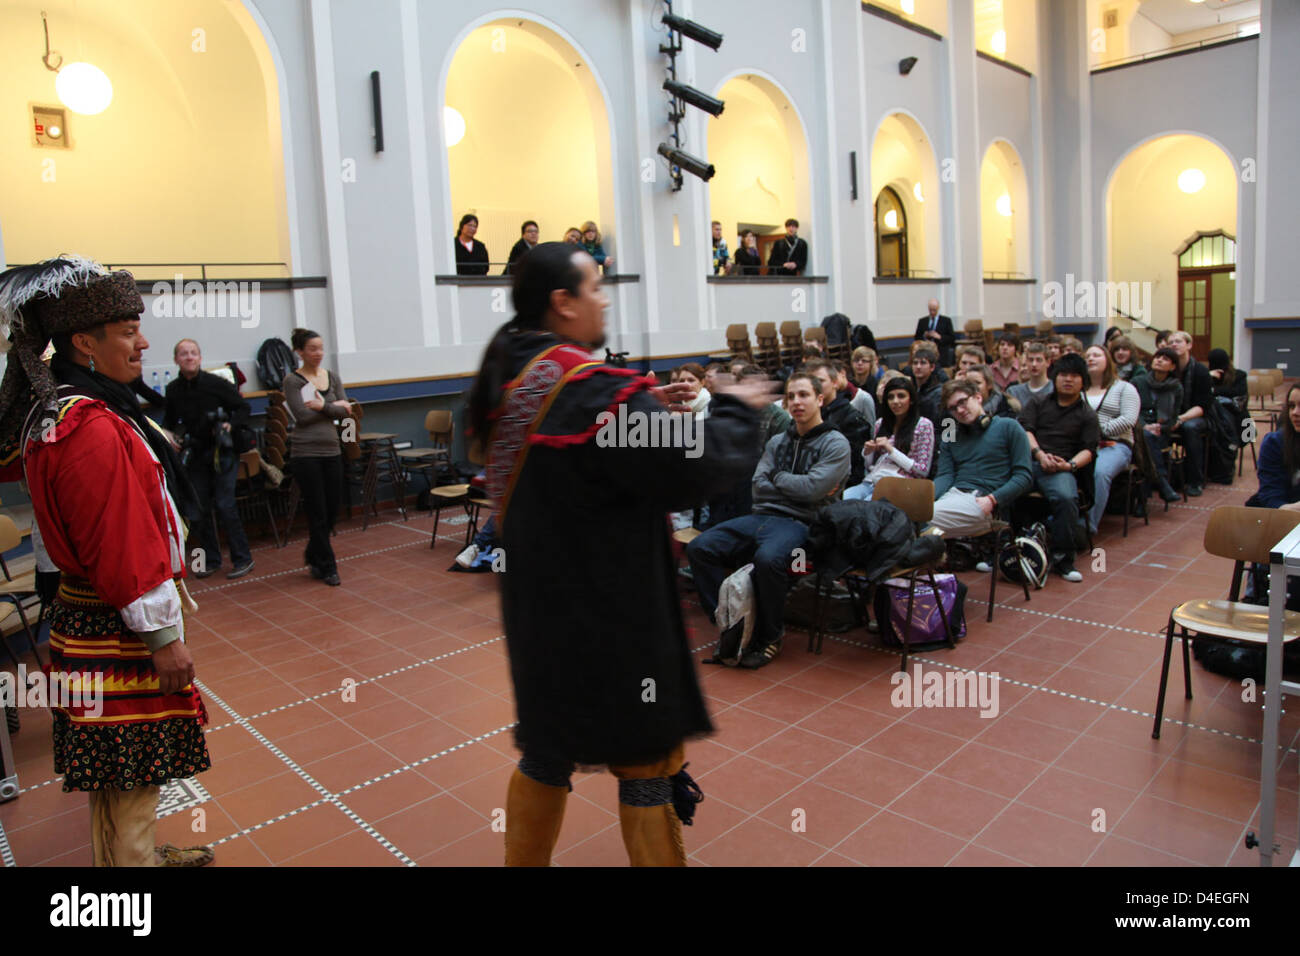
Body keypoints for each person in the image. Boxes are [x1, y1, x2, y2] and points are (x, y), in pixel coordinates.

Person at [465, 241, 769, 867]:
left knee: (547, 753)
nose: (604, 300)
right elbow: (696, 466)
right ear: (562, 303)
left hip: (538, 615)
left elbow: (592, 461)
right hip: (614, 618)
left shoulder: (509, 376)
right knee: (646, 763)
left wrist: (653, 411)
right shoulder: (590, 388)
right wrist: (737, 410)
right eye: (594, 287)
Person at [0, 256, 213, 867]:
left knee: (116, 777)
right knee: (135, 781)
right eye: (127, 330)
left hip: (85, 620)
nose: (143, 341)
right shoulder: (90, 425)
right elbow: (123, 545)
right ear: (83, 342)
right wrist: (165, 637)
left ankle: (125, 862)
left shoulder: (63, 410)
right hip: (117, 629)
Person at [688, 370, 850, 669]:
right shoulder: (778, 441)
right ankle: (728, 620)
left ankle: (771, 636)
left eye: (803, 395)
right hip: (762, 516)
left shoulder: (836, 444)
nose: (796, 402)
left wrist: (778, 478)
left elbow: (813, 490)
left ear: (820, 398)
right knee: (700, 547)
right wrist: (791, 483)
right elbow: (758, 483)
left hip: (804, 524)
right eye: (791, 396)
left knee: (768, 559)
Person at [164, 338, 254, 580]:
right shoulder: (173, 390)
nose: (189, 357)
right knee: (199, 508)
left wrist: (229, 425)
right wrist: (169, 435)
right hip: (196, 453)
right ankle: (210, 560)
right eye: (184, 354)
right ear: (176, 360)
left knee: (225, 505)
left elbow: (244, 409)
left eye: (193, 353)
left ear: (200, 358)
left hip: (222, 451)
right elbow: (170, 422)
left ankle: (242, 558)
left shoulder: (217, 384)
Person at [1018, 352, 1100, 582]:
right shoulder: (1038, 403)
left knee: (1065, 497)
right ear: (1054, 377)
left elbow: (1090, 450)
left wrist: (1070, 465)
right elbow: (1025, 431)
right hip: (1033, 462)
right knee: (1003, 489)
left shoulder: (1087, 415)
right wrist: (1040, 455)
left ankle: (1064, 560)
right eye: (1063, 374)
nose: (1068, 380)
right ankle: (1003, 548)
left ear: (1083, 380)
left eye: (1075, 375)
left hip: (1062, 468)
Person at [283, 328, 356, 586]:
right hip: (305, 453)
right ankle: (327, 567)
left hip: (332, 449)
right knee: (317, 511)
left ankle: (313, 553)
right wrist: (334, 409)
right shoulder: (293, 381)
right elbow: (301, 417)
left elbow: (347, 413)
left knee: (333, 507)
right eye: (312, 349)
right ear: (300, 351)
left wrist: (323, 406)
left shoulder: (332, 377)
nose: (318, 354)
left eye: (320, 348)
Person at [929, 378, 1034, 538]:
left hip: (983, 501)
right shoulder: (950, 436)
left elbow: (1024, 477)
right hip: (953, 497)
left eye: (963, 402)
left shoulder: (1008, 426)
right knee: (905, 516)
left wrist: (993, 499)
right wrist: (924, 498)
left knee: (915, 520)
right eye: (953, 408)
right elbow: (945, 476)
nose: (960, 410)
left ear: (978, 397)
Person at [843, 376, 934, 501]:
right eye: (890, 397)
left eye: (901, 396)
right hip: (872, 480)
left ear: (911, 400)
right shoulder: (880, 424)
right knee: (841, 501)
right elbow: (871, 465)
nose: (895, 401)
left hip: (901, 484)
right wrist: (868, 452)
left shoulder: (923, 424)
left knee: (865, 509)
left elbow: (922, 471)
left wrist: (891, 450)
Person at [1082, 345, 1140, 535]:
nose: (1091, 358)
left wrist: (1100, 430)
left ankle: (1088, 527)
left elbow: (1129, 419)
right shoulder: (1079, 389)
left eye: (1096, 355)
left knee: (1099, 472)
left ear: (1107, 360)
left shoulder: (1124, 388)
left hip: (1116, 445)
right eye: (1088, 356)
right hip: (1083, 444)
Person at [805, 359, 872, 491]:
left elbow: (853, 470)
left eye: (820, 381)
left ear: (835, 383)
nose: (815, 386)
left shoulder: (852, 418)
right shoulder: (807, 416)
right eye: (811, 382)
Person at [1134, 346, 1185, 503]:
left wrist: (1160, 427)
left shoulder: (1176, 388)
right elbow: (1132, 411)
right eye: (1157, 357)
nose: (1159, 360)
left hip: (1160, 434)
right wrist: (1145, 426)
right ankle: (1161, 482)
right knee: (1147, 440)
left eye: (1165, 359)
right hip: (1137, 430)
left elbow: (1173, 419)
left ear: (1173, 367)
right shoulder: (1138, 382)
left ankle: (1143, 502)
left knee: (1148, 445)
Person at [1167, 329, 1213, 496]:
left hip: (1197, 416)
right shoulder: (1167, 371)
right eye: (1171, 342)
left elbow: (1203, 406)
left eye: (1178, 341)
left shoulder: (1200, 371)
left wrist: (1180, 418)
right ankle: (1163, 478)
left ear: (1189, 345)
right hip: (1173, 417)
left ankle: (1195, 481)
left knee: (1190, 428)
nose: (1173, 344)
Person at [1246, 383, 1300, 510]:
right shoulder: (1274, 443)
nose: (1295, 412)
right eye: (1291, 406)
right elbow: (1272, 497)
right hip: (1282, 515)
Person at [907, 341, 945, 427]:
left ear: (932, 367)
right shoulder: (910, 388)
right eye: (915, 363)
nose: (918, 366)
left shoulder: (939, 392)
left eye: (923, 363)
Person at [1008, 340, 1053, 408]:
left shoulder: (1054, 390)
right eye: (1031, 360)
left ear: (1048, 362)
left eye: (1039, 360)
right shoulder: (1014, 392)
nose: (1034, 364)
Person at [913, 298, 955, 368]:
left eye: (934, 310)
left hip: (941, 352)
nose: (932, 312)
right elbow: (917, 337)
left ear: (938, 308)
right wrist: (925, 336)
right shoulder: (922, 321)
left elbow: (952, 338)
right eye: (930, 310)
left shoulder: (946, 320)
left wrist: (939, 337)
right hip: (925, 352)